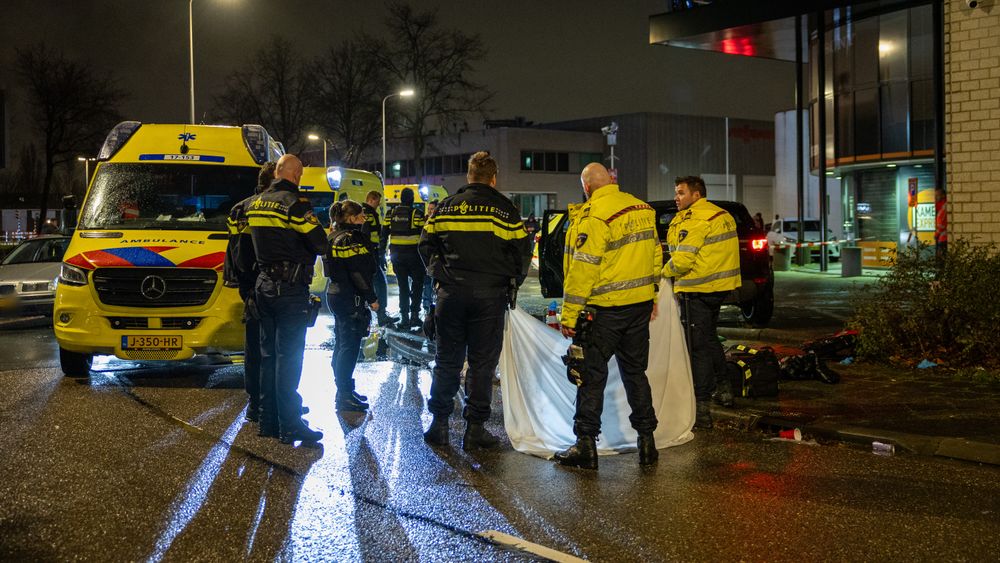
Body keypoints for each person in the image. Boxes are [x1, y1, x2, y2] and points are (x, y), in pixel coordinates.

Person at [552, 163, 662, 470]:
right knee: (635, 374)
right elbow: (655, 254)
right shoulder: (640, 208)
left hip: (604, 311)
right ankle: (647, 443)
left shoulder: (593, 215)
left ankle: (585, 446)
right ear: (611, 181)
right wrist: (651, 294)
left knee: (590, 378)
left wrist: (569, 314)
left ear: (587, 187)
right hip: (638, 308)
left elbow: (582, 269)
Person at [419, 151, 531, 450]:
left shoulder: (445, 207)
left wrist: (440, 273)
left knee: (447, 361)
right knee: (482, 365)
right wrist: (510, 283)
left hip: (450, 294)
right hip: (489, 296)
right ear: (494, 178)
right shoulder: (505, 210)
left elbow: (425, 245)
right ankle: (475, 430)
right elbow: (521, 254)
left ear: (469, 177)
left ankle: (439, 425)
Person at [246, 154, 329, 445]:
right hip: (289, 289)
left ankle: (267, 421)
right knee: (289, 358)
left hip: (263, 286)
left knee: (268, 356)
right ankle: (291, 425)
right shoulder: (294, 204)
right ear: (296, 175)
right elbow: (320, 243)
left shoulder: (254, 203)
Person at [662, 175, 741, 429]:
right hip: (718, 289)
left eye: (681, 193)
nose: (676, 197)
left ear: (697, 195)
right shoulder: (721, 214)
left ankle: (702, 408)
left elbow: (683, 260)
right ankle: (725, 388)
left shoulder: (696, 219)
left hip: (697, 288)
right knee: (708, 338)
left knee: (698, 348)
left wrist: (662, 274)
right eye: (676, 192)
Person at [224, 161, 276, 426]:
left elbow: (235, 250)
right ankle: (262, 403)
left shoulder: (239, 208)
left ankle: (257, 403)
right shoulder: (263, 206)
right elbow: (244, 250)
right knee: (268, 347)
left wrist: (245, 286)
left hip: (249, 283)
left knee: (255, 346)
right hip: (263, 281)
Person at [325, 200, 380, 412]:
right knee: (349, 347)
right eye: (360, 217)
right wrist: (371, 298)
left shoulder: (333, 236)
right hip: (350, 297)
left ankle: (345, 389)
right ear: (350, 218)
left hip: (337, 294)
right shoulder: (350, 240)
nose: (364, 220)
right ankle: (344, 395)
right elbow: (357, 272)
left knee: (342, 344)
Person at [383, 188, 425, 328]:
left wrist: (381, 254)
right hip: (414, 256)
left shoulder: (391, 214)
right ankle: (414, 316)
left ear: (401, 198)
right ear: (412, 199)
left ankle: (404, 318)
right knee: (417, 285)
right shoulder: (416, 214)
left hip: (397, 256)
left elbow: (384, 235)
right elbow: (424, 235)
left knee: (403, 286)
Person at [361, 190, 398, 327]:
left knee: (375, 283)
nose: (378, 204)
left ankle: (379, 314)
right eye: (377, 201)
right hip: (371, 253)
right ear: (371, 199)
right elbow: (366, 234)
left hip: (372, 253)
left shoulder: (366, 212)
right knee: (380, 283)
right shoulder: (369, 214)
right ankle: (381, 315)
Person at [421, 199, 439, 317]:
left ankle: (435, 306)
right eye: (429, 209)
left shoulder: (438, 222)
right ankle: (427, 306)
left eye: (432, 209)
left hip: (435, 260)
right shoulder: (424, 222)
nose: (429, 211)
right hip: (426, 260)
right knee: (427, 283)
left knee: (434, 284)